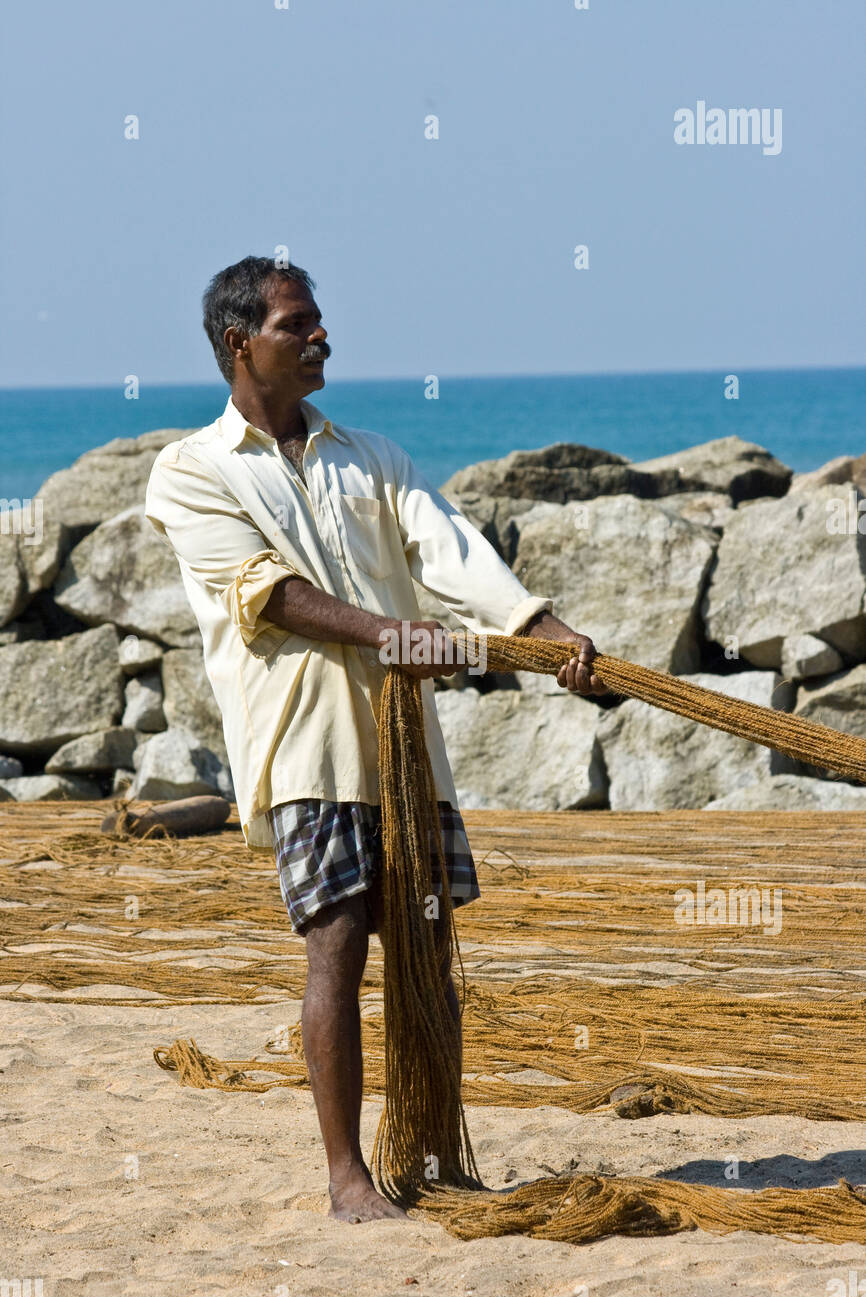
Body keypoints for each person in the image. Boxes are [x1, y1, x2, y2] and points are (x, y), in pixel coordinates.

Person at [145, 255, 606, 1223]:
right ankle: (346, 1175)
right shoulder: (192, 472)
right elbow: (270, 595)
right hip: (307, 747)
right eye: (295, 324)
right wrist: (393, 634)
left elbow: (449, 551)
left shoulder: (370, 459)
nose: (320, 337)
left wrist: (542, 630)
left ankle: (433, 1148)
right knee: (337, 947)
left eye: (317, 322)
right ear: (240, 344)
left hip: (403, 750)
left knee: (429, 951)